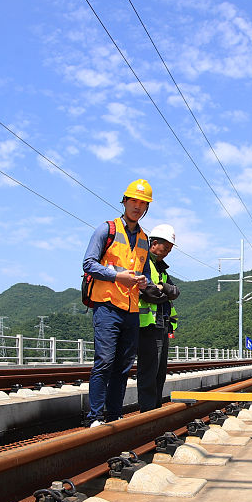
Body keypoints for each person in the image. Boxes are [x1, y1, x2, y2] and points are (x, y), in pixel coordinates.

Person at [81, 179, 153, 426]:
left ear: (146, 208)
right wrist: (116, 276)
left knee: (123, 366)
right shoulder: (107, 230)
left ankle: (114, 415)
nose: (137, 206)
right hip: (107, 306)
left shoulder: (144, 239)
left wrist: (144, 283)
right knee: (104, 361)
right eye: (134, 201)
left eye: (143, 203)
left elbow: (147, 275)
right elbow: (88, 263)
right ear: (124, 202)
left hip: (131, 310)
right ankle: (95, 417)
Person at [136, 223, 180, 412]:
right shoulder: (142, 262)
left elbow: (175, 291)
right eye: (166, 248)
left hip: (161, 324)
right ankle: (147, 411)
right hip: (148, 325)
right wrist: (163, 292)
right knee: (149, 370)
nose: (167, 252)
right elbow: (150, 293)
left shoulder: (161, 268)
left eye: (170, 249)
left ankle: (155, 408)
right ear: (154, 244)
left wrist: (163, 288)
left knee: (160, 371)